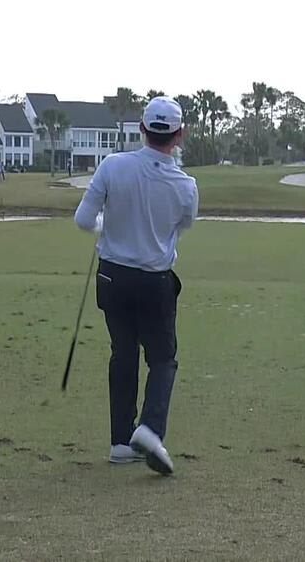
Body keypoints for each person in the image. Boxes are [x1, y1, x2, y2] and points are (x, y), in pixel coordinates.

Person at [74, 96, 198, 475]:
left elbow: (84, 220)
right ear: (179, 135)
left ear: (142, 129)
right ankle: (150, 429)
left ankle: (120, 442)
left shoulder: (112, 165)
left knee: (123, 353)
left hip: (112, 277)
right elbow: (180, 228)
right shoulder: (186, 186)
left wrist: (105, 227)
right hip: (155, 282)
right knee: (162, 359)